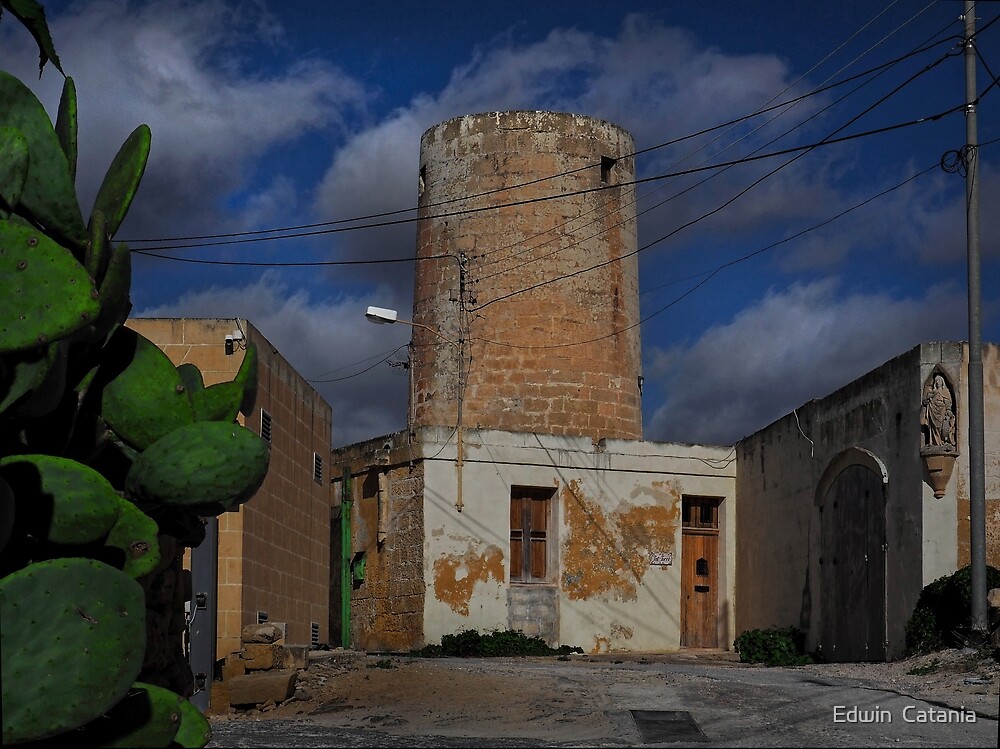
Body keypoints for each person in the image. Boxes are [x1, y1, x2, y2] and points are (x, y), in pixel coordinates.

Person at [921, 374, 955, 447]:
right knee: (933, 427)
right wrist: (928, 399)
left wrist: (948, 409)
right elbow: (925, 401)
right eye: (936, 381)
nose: (938, 382)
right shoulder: (932, 392)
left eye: (939, 380)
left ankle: (942, 441)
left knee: (941, 426)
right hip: (932, 409)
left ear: (942, 382)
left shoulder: (945, 391)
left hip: (942, 409)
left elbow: (947, 401)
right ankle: (933, 441)